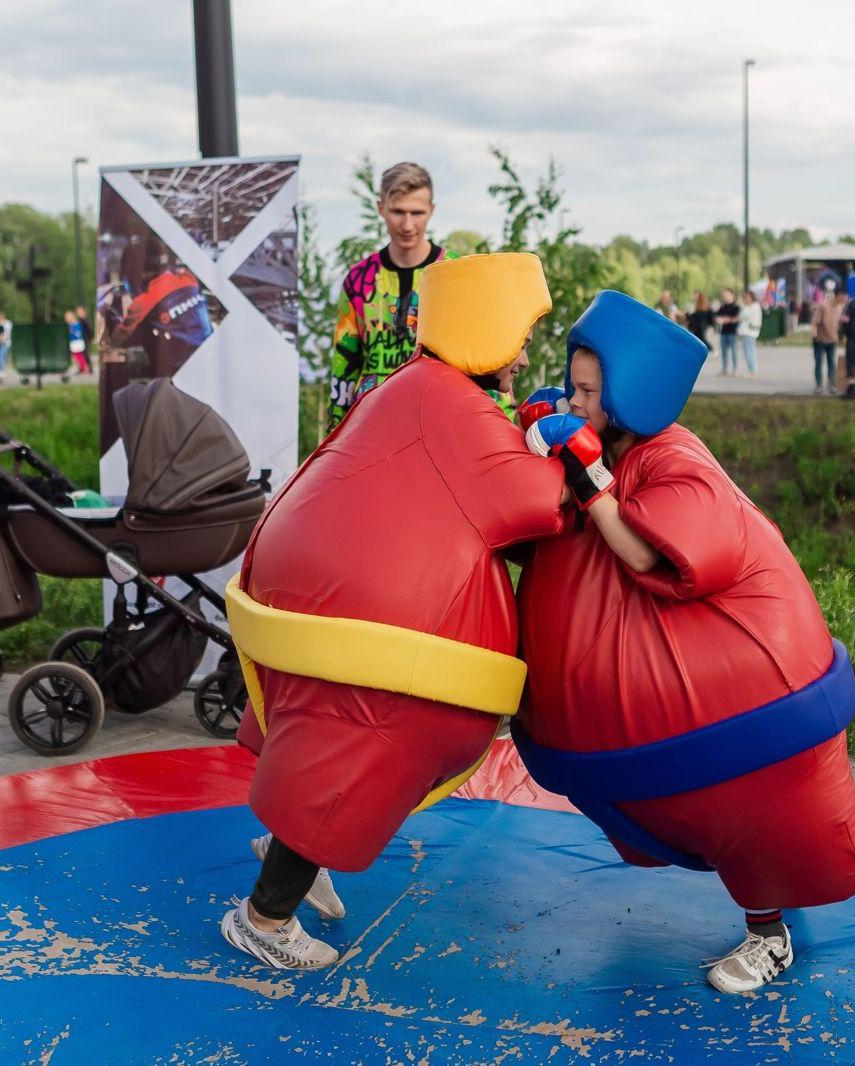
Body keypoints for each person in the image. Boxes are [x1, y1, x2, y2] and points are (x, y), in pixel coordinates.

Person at [513, 291, 855, 994]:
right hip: (623, 741)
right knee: (712, 811)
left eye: (591, 391)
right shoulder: (603, 445)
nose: (576, 400)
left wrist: (587, 475)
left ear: (632, 392)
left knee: (748, 806)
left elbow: (649, 555)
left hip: (745, 700)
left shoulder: (678, 458)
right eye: (574, 385)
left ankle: (769, 936)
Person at [222, 253, 571, 971]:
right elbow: (545, 510)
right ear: (487, 329)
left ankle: (295, 847)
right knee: (374, 735)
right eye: (522, 330)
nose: (528, 348)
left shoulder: (414, 387)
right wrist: (574, 457)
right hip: (356, 630)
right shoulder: (457, 409)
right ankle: (263, 918)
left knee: (338, 740)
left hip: (303, 599)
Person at [327, 162, 460, 429]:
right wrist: (333, 437)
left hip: (438, 423)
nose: (407, 224)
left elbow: (485, 362)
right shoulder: (358, 279)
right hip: (372, 425)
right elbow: (344, 365)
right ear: (381, 208)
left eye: (417, 212)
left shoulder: (454, 275)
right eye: (398, 212)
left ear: (431, 210)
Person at [810, 281, 842, 394]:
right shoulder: (823, 306)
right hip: (820, 340)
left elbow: (840, 324)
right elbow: (814, 323)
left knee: (832, 364)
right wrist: (814, 335)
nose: (844, 299)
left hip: (832, 340)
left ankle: (832, 385)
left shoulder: (840, 308)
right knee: (819, 363)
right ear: (837, 296)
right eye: (843, 297)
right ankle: (819, 386)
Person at [713, 288, 740, 376]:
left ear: (732, 295)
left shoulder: (736, 307)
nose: (725, 297)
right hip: (723, 332)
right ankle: (724, 370)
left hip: (733, 332)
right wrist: (718, 319)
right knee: (724, 353)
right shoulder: (722, 307)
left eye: (727, 294)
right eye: (724, 295)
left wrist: (728, 319)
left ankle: (735, 370)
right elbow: (716, 316)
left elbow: (737, 318)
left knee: (734, 352)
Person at [735, 289, 762, 377]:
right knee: (749, 352)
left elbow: (743, 316)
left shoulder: (754, 306)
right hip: (747, 332)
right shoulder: (750, 306)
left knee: (749, 352)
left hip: (749, 332)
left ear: (751, 298)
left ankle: (753, 372)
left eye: (746, 297)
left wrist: (743, 305)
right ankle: (752, 370)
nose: (745, 299)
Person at [65, 309, 90, 374]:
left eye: (68, 317)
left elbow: (77, 333)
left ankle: (85, 368)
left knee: (78, 356)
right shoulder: (71, 325)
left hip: (77, 342)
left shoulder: (75, 324)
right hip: (74, 342)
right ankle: (82, 368)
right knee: (76, 356)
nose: (66, 319)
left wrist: (71, 332)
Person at [0, 314, 14, 379]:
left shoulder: (8, 323)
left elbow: (9, 332)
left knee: (3, 357)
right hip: (1, 342)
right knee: (1, 356)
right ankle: (2, 370)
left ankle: (3, 370)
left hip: (6, 342)